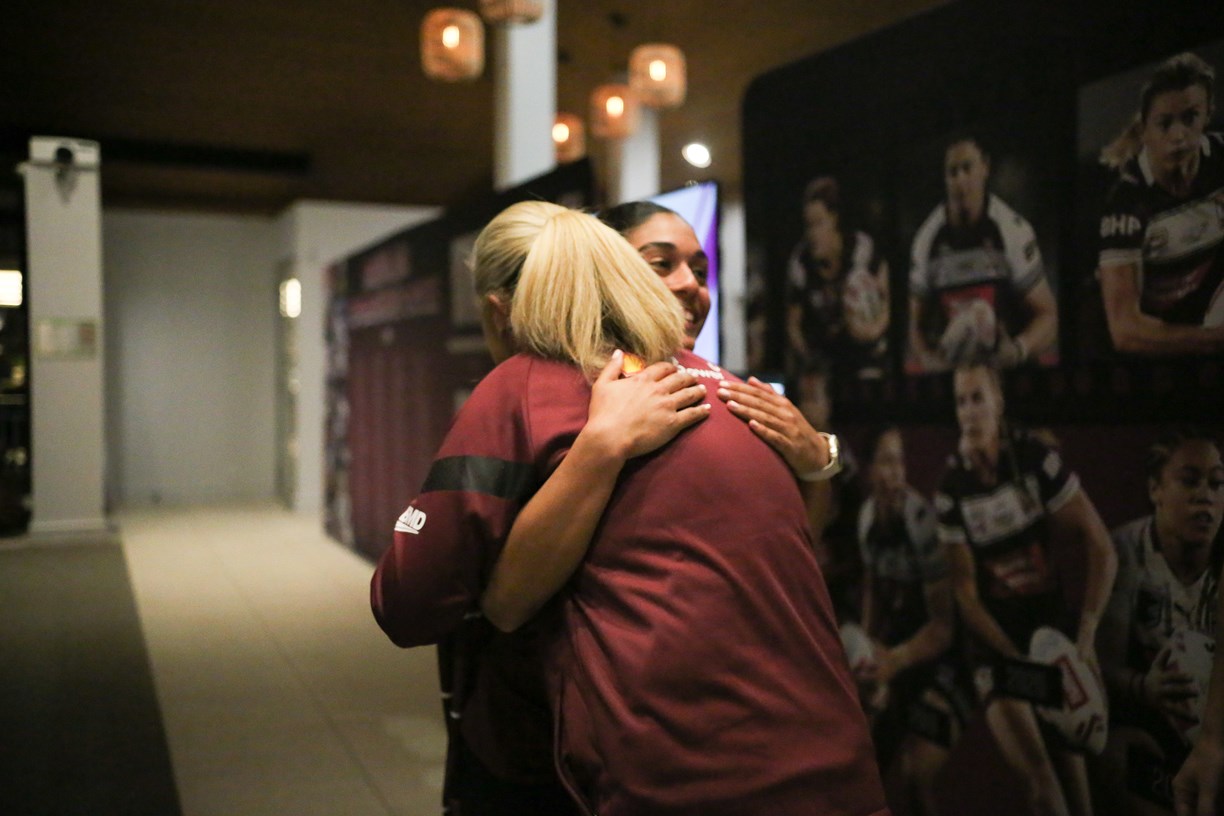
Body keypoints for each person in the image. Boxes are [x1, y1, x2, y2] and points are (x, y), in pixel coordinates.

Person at [373, 201, 875, 815]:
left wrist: (819, 457)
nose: (687, 286)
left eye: (697, 266)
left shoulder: (526, 385)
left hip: (666, 782)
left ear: (499, 312)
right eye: (659, 264)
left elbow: (422, 603)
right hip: (837, 771)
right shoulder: (726, 390)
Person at [937, 359, 1116, 816]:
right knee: (1041, 787)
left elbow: (1102, 548)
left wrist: (1086, 639)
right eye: (960, 401)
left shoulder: (1035, 459)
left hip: (1052, 639)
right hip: (998, 652)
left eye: (978, 398)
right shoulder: (951, 487)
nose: (969, 411)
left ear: (999, 402)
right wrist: (1012, 657)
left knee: (1081, 794)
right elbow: (965, 595)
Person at [1095, 430, 1223, 815]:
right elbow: (1102, 663)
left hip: (1216, 732)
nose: (1206, 496)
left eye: (1218, 484)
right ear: (1156, 489)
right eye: (1189, 481)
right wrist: (1142, 688)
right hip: (1149, 728)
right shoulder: (1125, 552)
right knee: (1113, 754)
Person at [854, 425, 971, 816]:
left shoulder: (921, 521)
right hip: (903, 651)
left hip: (950, 658)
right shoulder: (868, 517)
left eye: (900, 461)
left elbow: (943, 628)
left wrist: (891, 662)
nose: (897, 472)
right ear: (870, 470)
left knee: (915, 773)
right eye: (887, 462)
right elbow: (873, 588)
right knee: (867, 765)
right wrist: (869, 653)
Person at [1096, 52, 1224, 356]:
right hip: (1166, 340)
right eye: (1165, 123)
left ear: (1208, 114)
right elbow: (1125, 332)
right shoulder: (1125, 201)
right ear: (1145, 129)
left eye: (1190, 118)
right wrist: (1216, 340)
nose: (1179, 135)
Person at [908, 135, 1058, 373]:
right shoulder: (926, 239)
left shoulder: (1013, 232)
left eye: (967, 168)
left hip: (1006, 370)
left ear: (984, 167)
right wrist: (928, 360)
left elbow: (1048, 316)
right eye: (952, 172)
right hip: (956, 373)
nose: (960, 180)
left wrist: (1019, 349)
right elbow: (912, 324)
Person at [785, 175, 891, 382]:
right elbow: (793, 326)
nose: (812, 234)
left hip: (868, 353)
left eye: (818, 224)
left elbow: (888, 301)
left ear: (834, 219)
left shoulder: (862, 249)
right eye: (808, 226)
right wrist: (811, 360)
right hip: (827, 359)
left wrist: (872, 330)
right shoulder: (801, 263)